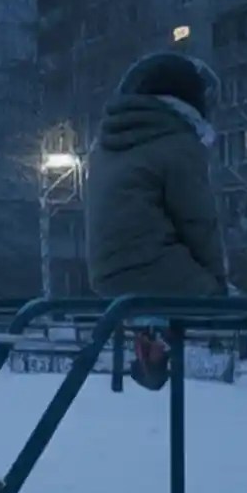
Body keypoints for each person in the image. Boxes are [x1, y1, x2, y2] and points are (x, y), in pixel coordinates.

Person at [84, 51, 229, 389]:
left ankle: (150, 335)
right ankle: (156, 341)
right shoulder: (179, 142)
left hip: (105, 276)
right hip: (154, 269)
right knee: (221, 303)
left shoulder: (107, 145)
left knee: (166, 285)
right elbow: (197, 221)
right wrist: (217, 286)